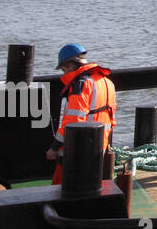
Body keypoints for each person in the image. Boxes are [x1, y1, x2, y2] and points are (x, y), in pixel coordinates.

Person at [47, 43, 116, 184]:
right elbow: (111, 118)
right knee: (91, 187)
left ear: (70, 64)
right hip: (100, 145)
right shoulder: (107, 82)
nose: (64, 73)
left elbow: (73, 121)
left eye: (63, 69)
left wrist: (54, 147)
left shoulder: (81, 84)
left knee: (61, 189)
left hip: (81, 148)